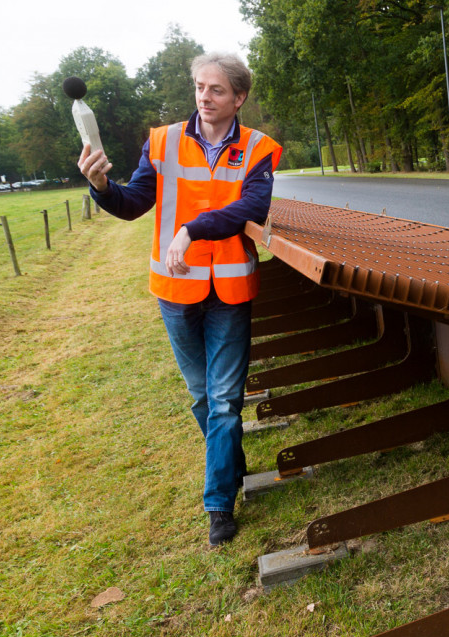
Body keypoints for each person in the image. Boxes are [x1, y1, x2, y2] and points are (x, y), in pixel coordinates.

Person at [77, 52, 282, 546]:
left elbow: (251, 207)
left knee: (227, 401)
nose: (204, 98)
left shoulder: (259, 149)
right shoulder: (163, 141)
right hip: (175, 292)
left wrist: (192, 228)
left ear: (239, 97)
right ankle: (229, 463)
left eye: (216, 90)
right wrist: (102, 186)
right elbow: (134, 203)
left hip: (230, 291)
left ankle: (218, 505)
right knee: (202, 397)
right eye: (199, 87)